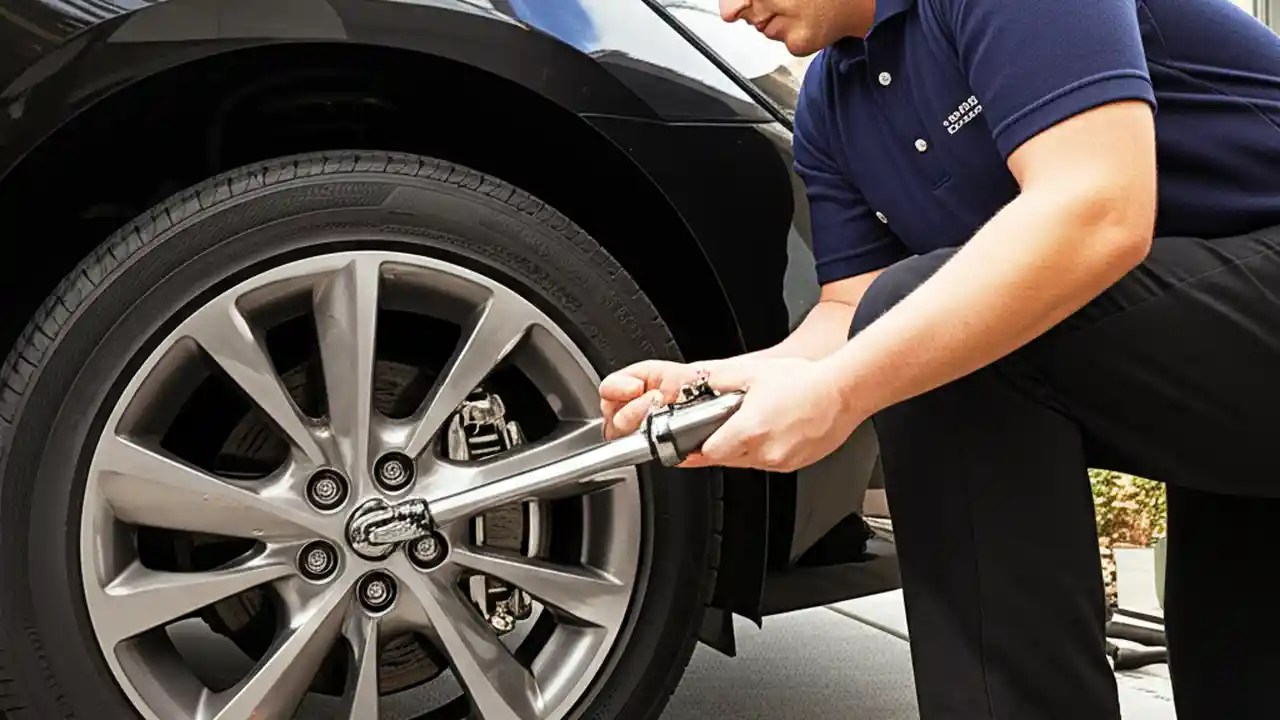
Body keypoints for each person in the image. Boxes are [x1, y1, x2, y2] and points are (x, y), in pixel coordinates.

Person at [598, 0, 1280, 718]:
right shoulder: (832, 104)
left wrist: (842, 393)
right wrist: (729, 380)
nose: (729, 7)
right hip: (1221, 368)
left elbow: (1098, 206)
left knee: (939, 329)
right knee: (1240, 674)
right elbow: (849, 315)